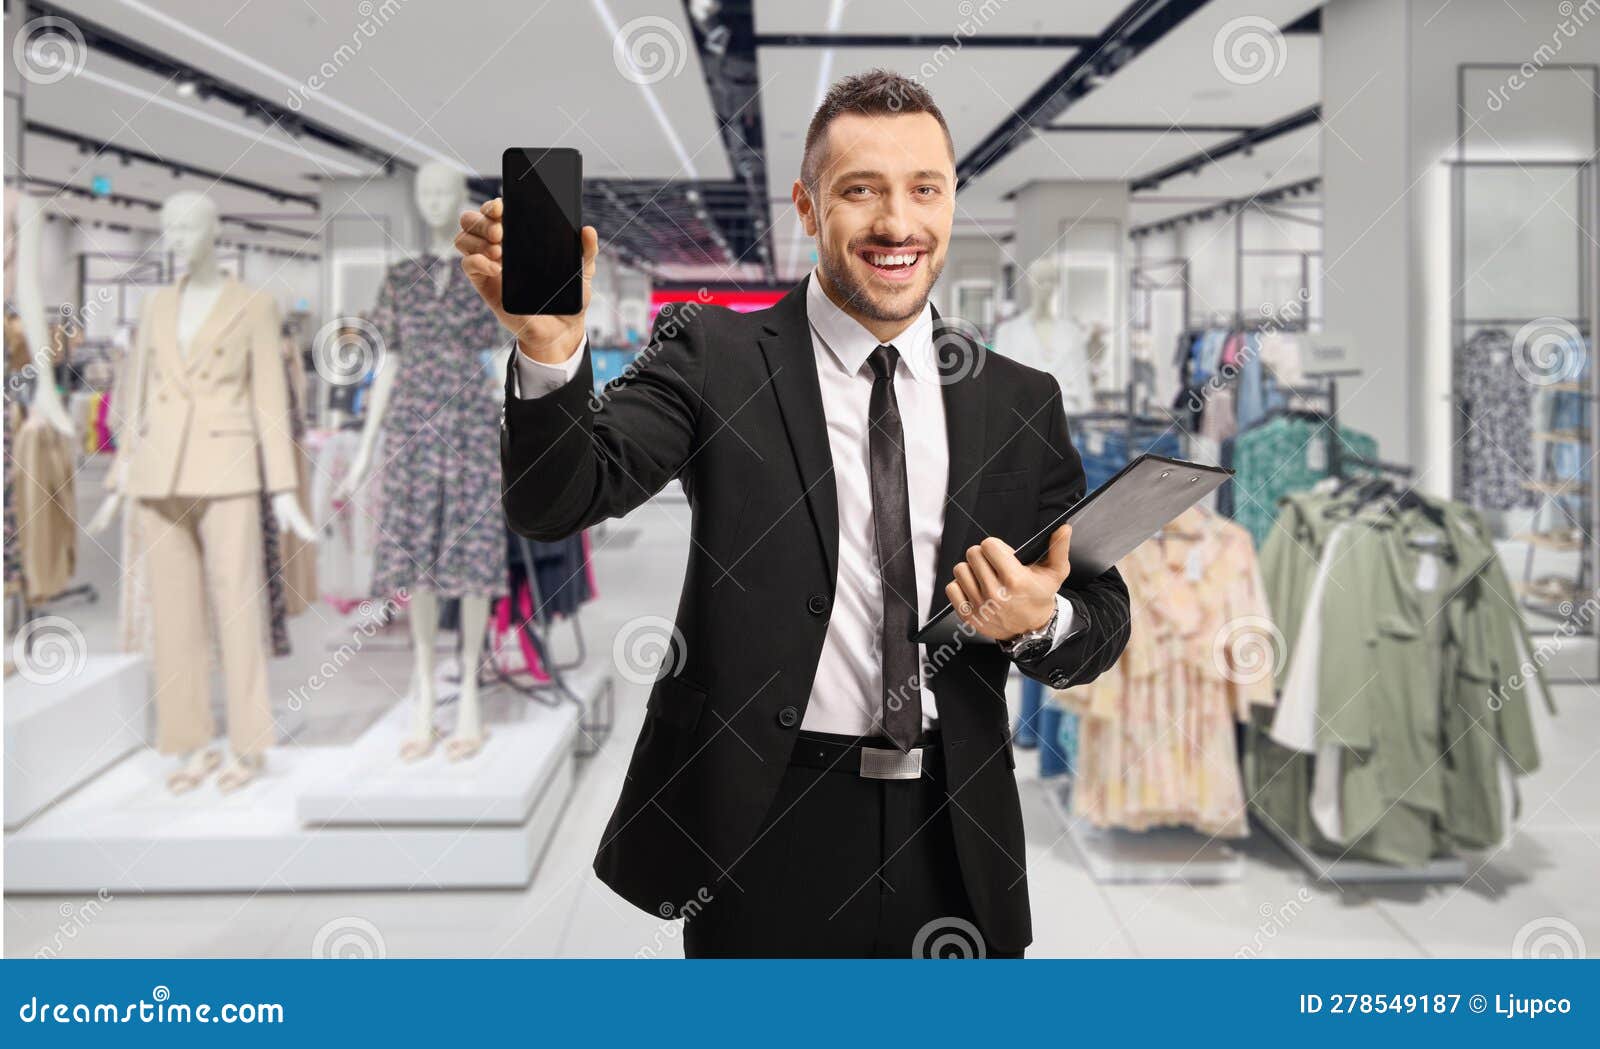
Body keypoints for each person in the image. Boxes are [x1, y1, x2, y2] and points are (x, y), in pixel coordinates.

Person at [455, 69, 1130, 958]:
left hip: (956, 832)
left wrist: (1042, 618)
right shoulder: (713, 354)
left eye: (924, 188)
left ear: (952, 202)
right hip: (761, 823)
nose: (898, 222)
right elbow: (562, 498)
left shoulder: (1018, 400)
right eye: (861, 190)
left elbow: (1101, 621)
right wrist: (549, 351)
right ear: (808, 209)